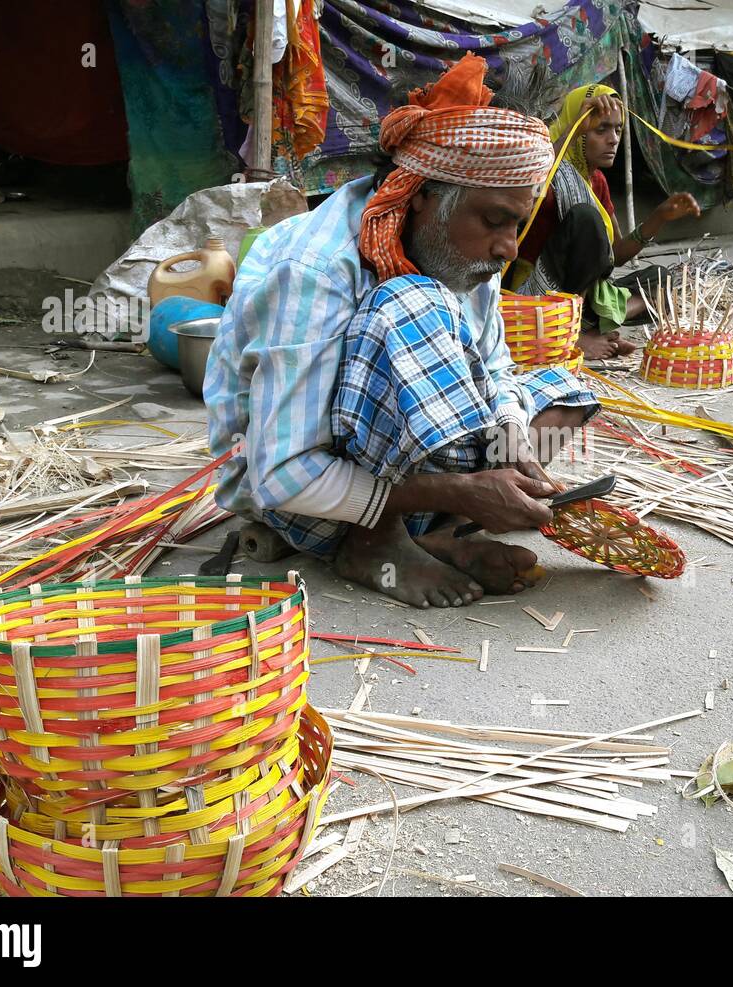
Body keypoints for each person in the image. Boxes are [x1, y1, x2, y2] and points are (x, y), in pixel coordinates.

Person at [205, 54, 600, 609]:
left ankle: (444, 531)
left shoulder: (458, 252)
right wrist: (458, 488)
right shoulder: (316, 271)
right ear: (420, 196)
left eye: (518, 222)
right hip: (302, 500)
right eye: (494, 221)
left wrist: (510, 446)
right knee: (410, 305)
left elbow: (496, 371)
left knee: (566, 396)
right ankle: (375, 542)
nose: (509, 247)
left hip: (405, 473)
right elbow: (282, 477)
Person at [509, 84, 702, 360]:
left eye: (617, 130)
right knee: (586, 218)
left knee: (662, 281)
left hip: (585, 294)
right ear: (578, 130)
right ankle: (574, 335)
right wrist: (572, 130)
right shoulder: (549, 171)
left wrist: (659, 217)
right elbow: (533, 180)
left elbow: (616, 255)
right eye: (601, 130)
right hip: (537, 295)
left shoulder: (597, 180)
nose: (613, 139)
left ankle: (594, 326)